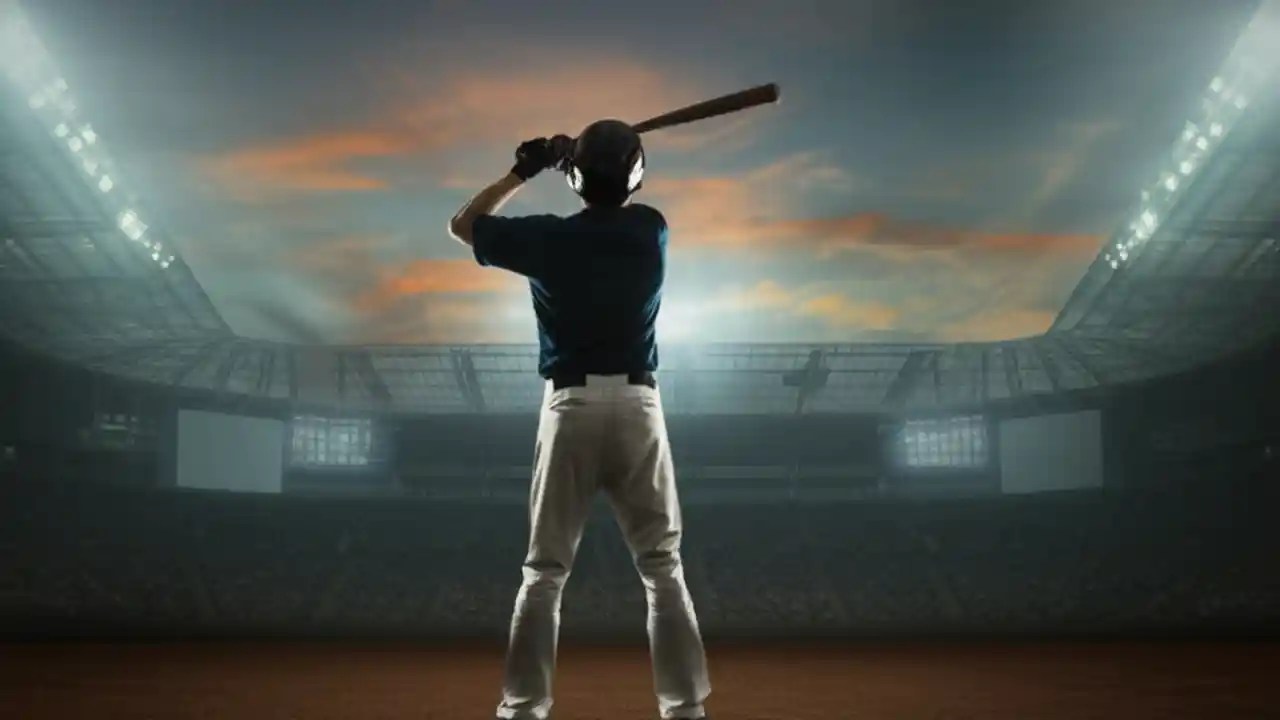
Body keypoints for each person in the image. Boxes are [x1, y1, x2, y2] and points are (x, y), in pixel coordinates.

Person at [447, 120, 711, 720]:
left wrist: (527, 168)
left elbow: (462, 225)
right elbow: (617, 196)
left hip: (568, 408)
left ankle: (522, 711)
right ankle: (686, 711)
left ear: (574, 179)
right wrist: (586, 157)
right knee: (663, 570)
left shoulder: (548, 238)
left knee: (544, 574)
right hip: (639, 407)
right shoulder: (652, 228)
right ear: (636, 173)